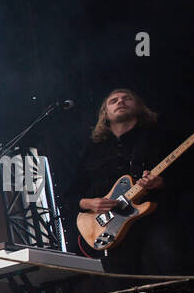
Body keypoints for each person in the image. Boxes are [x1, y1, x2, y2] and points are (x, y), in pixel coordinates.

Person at [69, 88, 193, 275]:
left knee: (173, 268)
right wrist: (89, 203)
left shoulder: (159, 138)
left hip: (157, 221)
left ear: (139, 107)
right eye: (114, 100)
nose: (120, 102)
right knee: (122, 282)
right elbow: (69, 193)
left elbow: (187, 175)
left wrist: (162, 183)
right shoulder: (92, 150)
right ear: (105, 113)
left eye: (127, 99)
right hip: (113, 232)